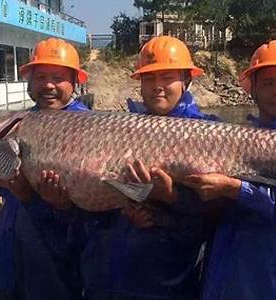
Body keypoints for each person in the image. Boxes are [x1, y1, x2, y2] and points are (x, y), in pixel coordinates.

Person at [180, 40, 276, 300]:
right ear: (252, 88)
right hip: (225, 274)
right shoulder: (237, 135)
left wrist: (235, 188)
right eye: (267, 83)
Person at [0, 37, 89, 300]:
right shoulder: (16, 124)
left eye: (58, 77)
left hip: (61, 274)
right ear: (29, 82)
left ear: (75, 82)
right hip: (11, 265)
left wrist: (51, 204)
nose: (48, 85)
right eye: (40, 76)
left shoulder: (91, 129)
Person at [78, 36, 220, 300]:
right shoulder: (118, 130)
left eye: (167, 78)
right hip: (104, 281)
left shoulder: (210, 133)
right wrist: (123, 213)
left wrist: (168, 201)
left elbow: (215, 218)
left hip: (165, 286)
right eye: (149, 79)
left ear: (186, 80)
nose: (158, 87)